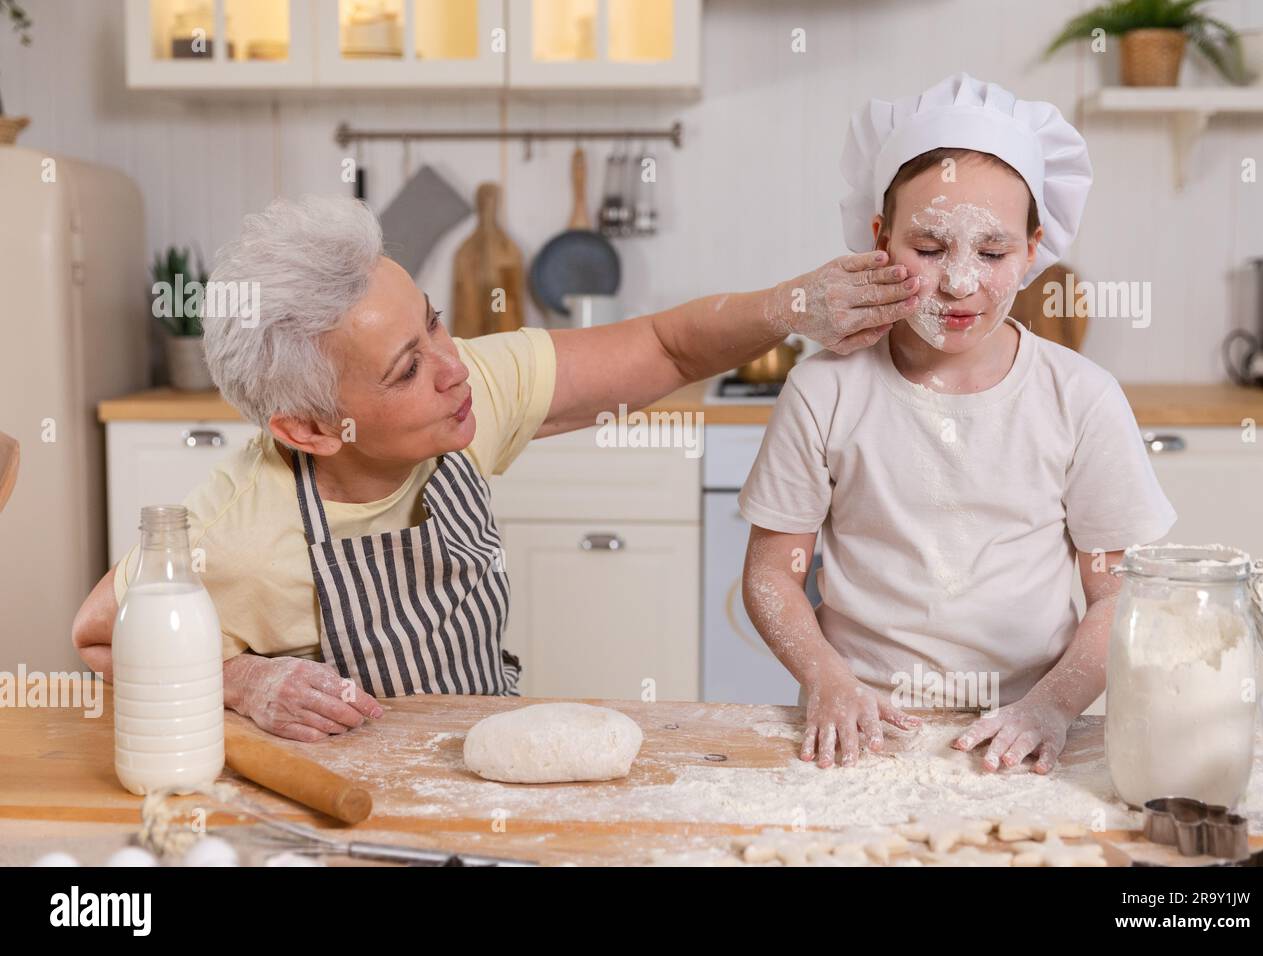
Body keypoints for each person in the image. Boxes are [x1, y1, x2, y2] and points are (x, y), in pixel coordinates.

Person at [73, 193, 920, 742]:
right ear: (311, 428)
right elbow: (97, 634)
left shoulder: (469, 389)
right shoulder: (237, 532)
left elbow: (662, 345)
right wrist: (245, 678)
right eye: (406, 368)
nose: (452, 367)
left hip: (485, 772)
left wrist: (793, 306)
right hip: (345, 817)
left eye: (434, 323)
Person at [740, 73, 1176, 773]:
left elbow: (1120, 594)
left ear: (1034, 249)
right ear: (879, 238)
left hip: (1030, 735)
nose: (960, 282)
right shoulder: (823, 390)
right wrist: (827, 678)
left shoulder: (1080, 397)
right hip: (861, 727)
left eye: (993, 252)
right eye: (930, 247)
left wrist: (1051, 706)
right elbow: (772, 573)